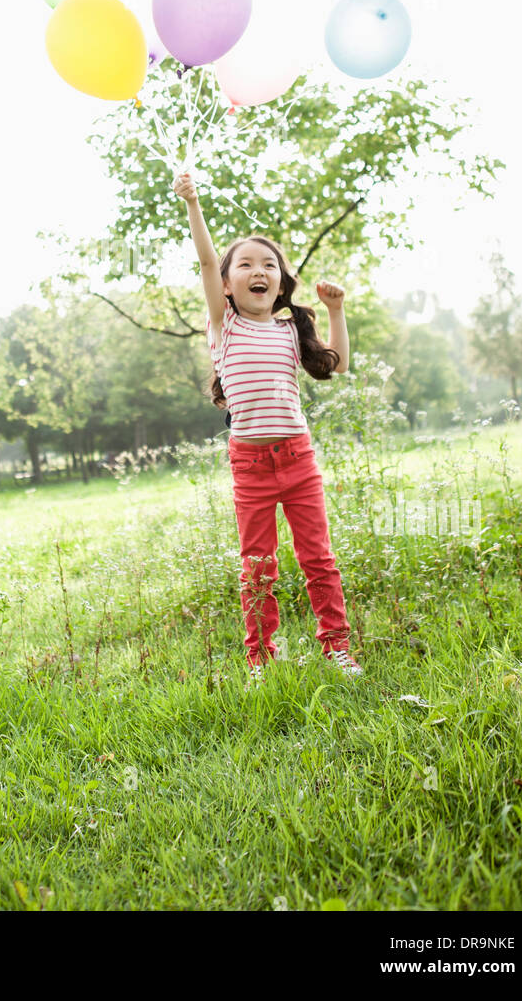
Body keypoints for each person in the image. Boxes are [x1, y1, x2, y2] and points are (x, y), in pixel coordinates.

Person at [174, 168, 363, 681]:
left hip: (298, 459)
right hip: (251, 465)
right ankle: (261, 654)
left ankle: (337, 647)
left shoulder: (288, 329)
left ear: (279, 283)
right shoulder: (225, 325)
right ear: (228, 285)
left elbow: (338, 364)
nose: (259, 271)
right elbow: (207, 258)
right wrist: (194, 203)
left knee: (317, 558)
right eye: (246, 265)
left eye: (269, 265)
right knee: (258, 565)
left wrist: (336, 310)